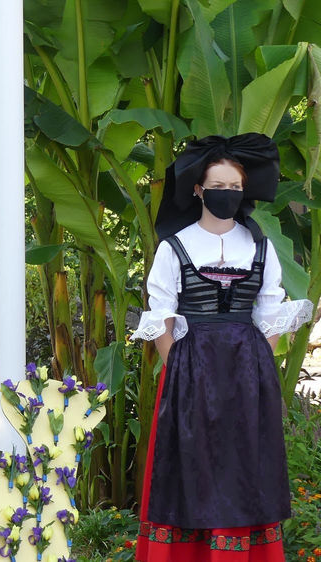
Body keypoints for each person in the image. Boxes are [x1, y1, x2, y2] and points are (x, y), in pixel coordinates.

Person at [131, 133, 313, 561]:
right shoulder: (174, 248)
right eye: (218, 185)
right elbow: (162, 314)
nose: (226, 194)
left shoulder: (260, 247)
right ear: (198, 188)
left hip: (247, 373)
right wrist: (179, 369)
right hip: (189, 370)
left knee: (242, 469)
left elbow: (269, 314)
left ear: (243, 190)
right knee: (190, 468)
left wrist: (258, 367)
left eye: (234, 187)